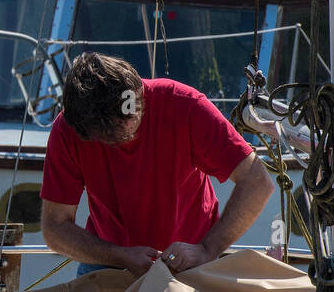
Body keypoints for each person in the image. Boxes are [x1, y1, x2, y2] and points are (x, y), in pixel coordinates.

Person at [39, 52, 273, 278]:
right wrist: (120, 256)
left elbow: (257, 182)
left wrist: (206, 249)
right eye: (119, 130)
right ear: (88, 131)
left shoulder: (185, 105)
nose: (132, 119)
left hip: (191, 262)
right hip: (107, 265)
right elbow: (55, 228)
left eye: (135, 108)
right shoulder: (67, 131)